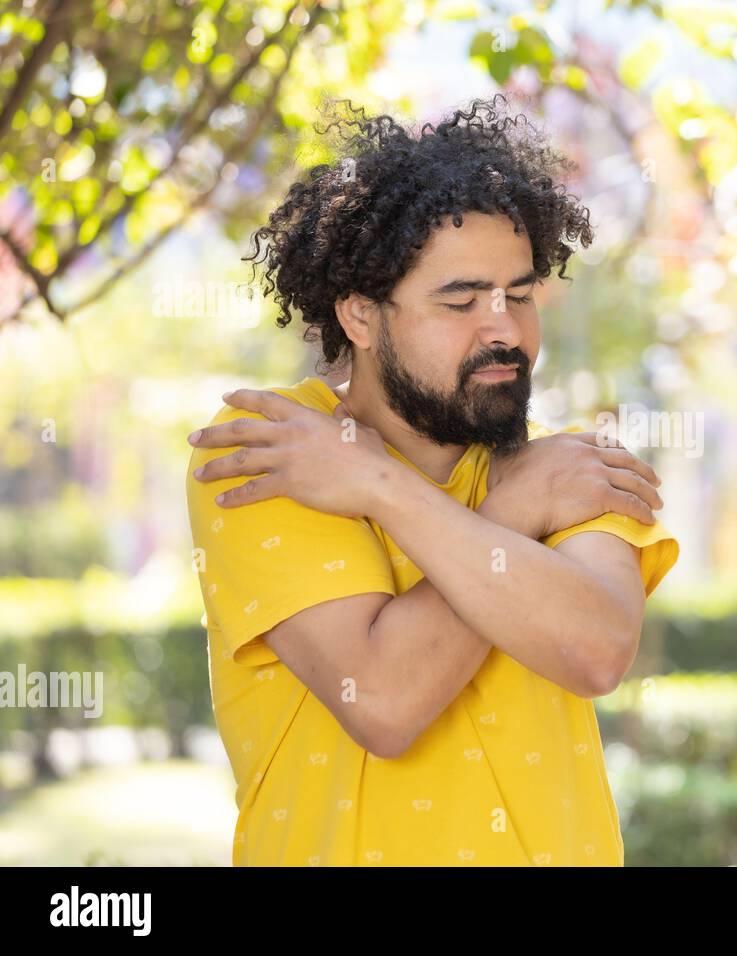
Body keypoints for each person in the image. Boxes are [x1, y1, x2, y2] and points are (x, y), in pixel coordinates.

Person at [184, 96, 678, 866]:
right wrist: (516, 508)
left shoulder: (567, 469)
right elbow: (382, 700)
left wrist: (379, 486)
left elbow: (597, 651)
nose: (504, 329)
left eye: (520, 296)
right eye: (461, 301)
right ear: (360, 315)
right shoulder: (276, 448)